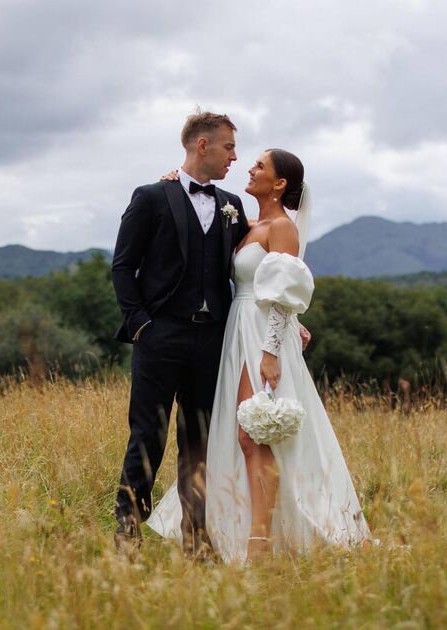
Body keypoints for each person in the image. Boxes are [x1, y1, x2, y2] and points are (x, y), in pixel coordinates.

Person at [146, 149, 374, 562]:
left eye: (259, 166)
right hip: (237, 329)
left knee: (254, 435)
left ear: (280, 183)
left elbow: (283, 296)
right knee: (244, 436)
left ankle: (259, 543)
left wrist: (271, 351)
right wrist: (173, 185)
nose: (249, 169)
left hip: (261, 337)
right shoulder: (250, 224)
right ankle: (245, 532)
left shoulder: (283, 228)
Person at [110, 110, 250, 557]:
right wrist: (141, 326)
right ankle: (127, 535)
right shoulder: (151, 196)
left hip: (213, 341)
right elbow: (122, 266)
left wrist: (287, 315)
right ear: (202, 146)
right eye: (229, 146)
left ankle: (196, 540)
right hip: (161, 336)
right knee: (148, 435)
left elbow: (253, 268)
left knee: (202, 438)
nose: (235, 156)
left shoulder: (233, 205)